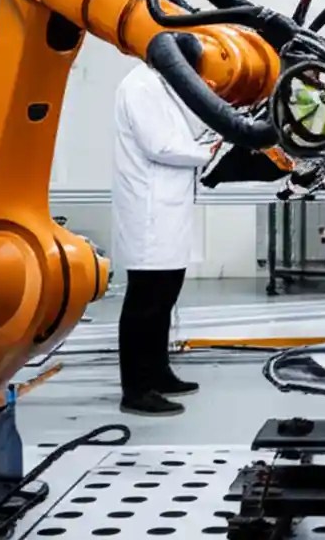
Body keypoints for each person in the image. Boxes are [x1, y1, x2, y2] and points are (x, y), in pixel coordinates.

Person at [111, 63, 217, 416]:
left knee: (166, 294)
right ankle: (136, 390)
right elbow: (161, 145)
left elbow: (188, 128)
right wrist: (209, 152)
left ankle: (158, 372)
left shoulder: (163, 82)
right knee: (145, 301)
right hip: (149, 209)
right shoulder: (139, 86)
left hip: (169, 207)